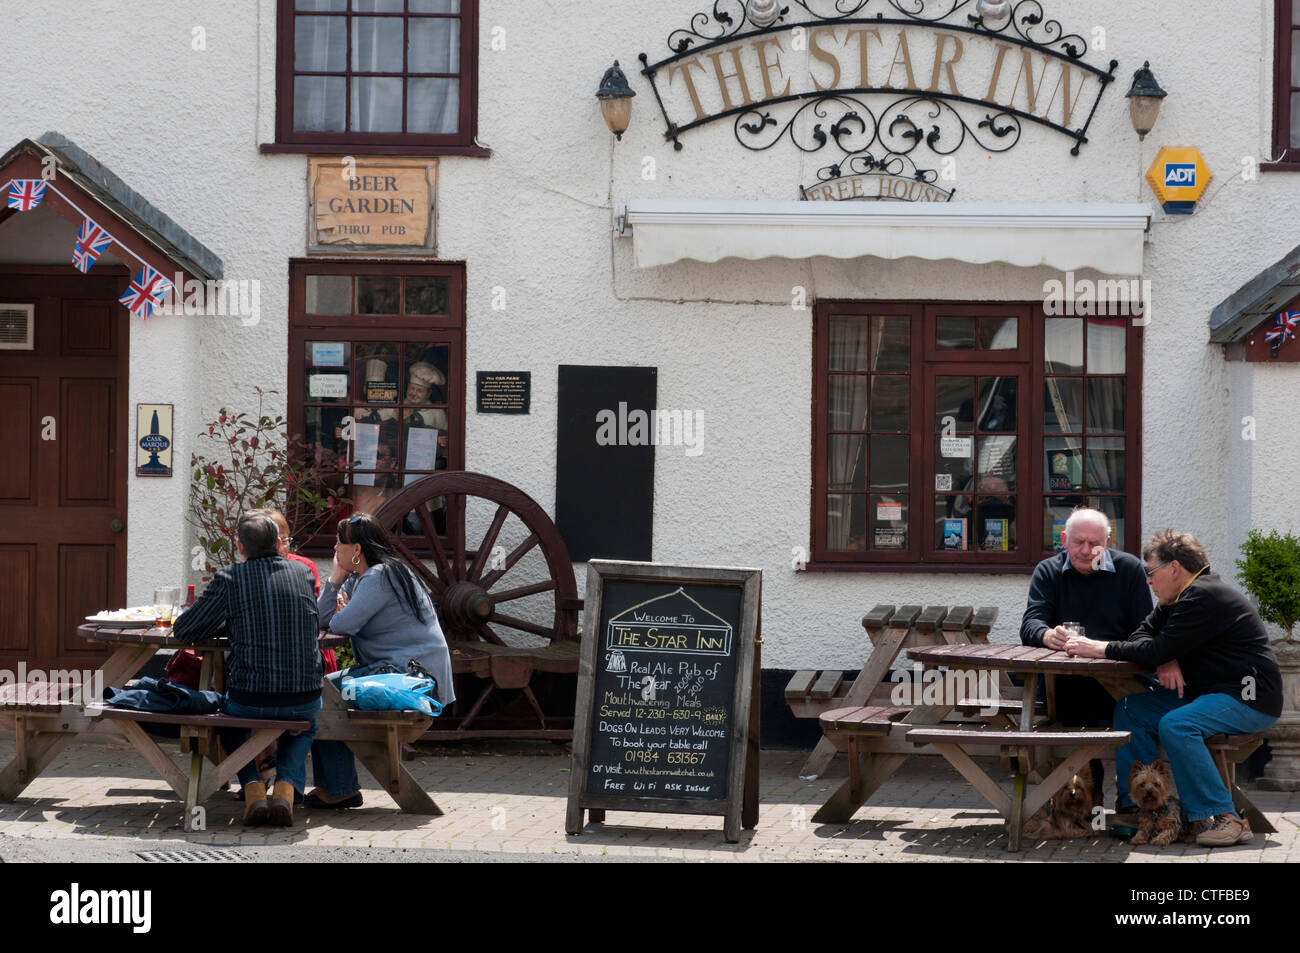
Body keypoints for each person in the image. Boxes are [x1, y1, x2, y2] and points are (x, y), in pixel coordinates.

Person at [1064, 530, 1282, 847]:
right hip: (1209, 694)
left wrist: (1099, 648)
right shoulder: (1176, 600)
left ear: (1174, 568)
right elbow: (1143, 636)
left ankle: (1225, 817)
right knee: (1131, 709)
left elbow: (1153, 647)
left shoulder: (1203, 596)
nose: (1149, 582)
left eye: (1151, 572)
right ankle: (1136, 808)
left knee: (1178, 725)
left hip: (1249, 699)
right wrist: (1167, 658)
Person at [173, 511, 323, 826]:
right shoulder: (303, 574)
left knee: (229, 722)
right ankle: (285, 791)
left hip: (248, 698)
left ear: (241, 547)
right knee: (305, 723)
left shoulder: (231, 579)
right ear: (280, 543)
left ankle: (253, 789)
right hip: (305, 696)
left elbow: (185, 630)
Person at [307, 512, 455, 808]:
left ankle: (340, 788)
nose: (335, 549)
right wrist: (337, 581)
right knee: (322, 692)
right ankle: (338, 786)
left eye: (339, 543)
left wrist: (342, 607)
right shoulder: (365, 576)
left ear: (357, 549)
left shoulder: (379, 576)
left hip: (411, 679)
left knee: (320, 696)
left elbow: (341, 625)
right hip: (396, 672)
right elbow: (322, 618)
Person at [1020, 507, 1153, 807]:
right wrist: (1046, 635)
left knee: (1134, 710)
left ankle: (1130, 807)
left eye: (1094, 543)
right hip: (1065, 686)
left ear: (1107, 542)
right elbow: (1030, 624)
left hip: (1121, 680)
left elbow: (1144, 632)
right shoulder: (1049, 571)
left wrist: (1104, 649)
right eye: (1078, 542)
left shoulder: (1130, 570)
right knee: (1069, 706)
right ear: (1064, 539)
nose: (1085, 550)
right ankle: (1085, 801)